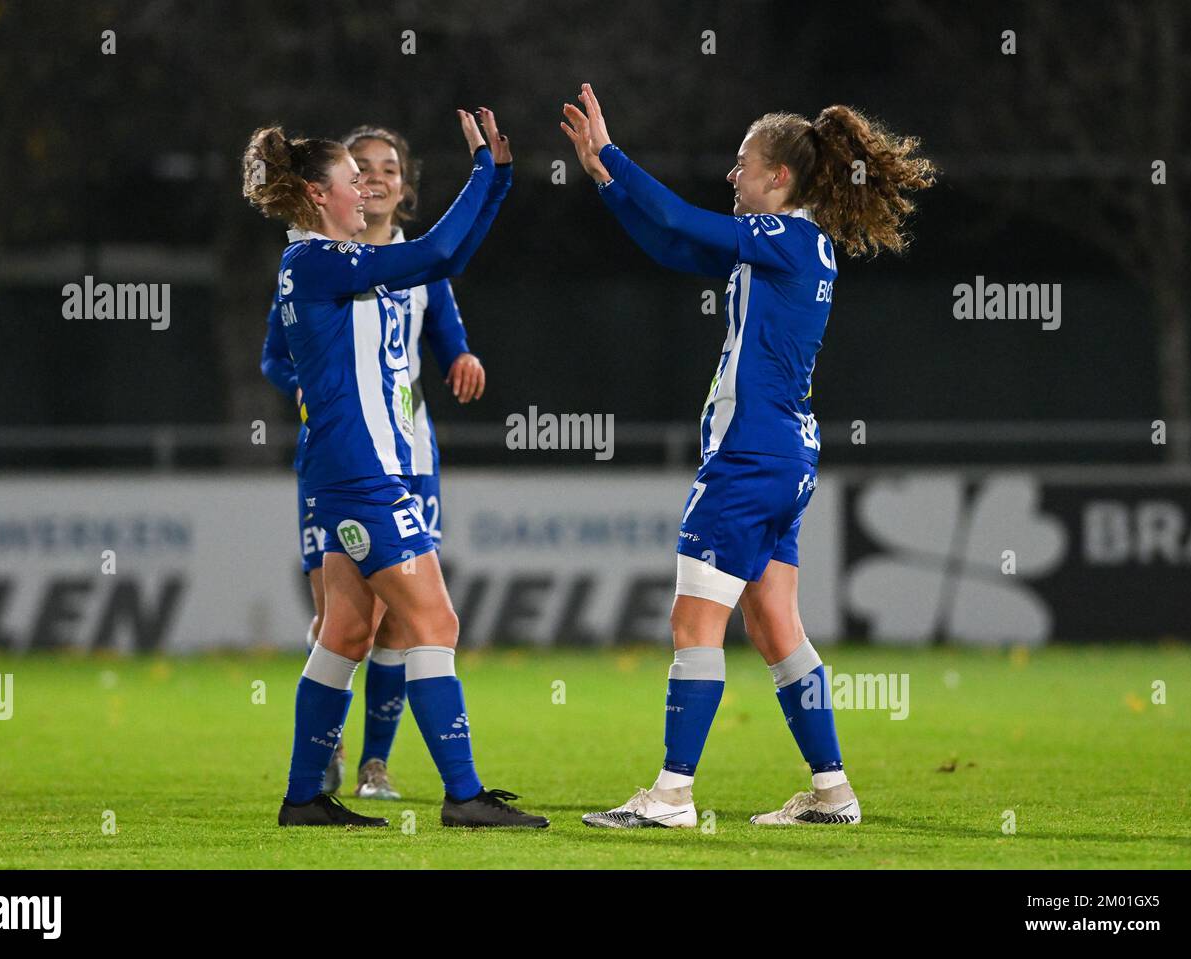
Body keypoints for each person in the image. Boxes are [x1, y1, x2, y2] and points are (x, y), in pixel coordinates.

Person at [562, 83, 934, 828]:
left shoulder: (787, 239)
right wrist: (608, 184)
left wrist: (611, 153)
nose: (733, 177)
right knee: (775, 625)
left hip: (751, 456)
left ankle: (671, 794)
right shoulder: (788, 248)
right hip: (785, 456)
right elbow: (671, 241)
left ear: (779, 178)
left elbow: (679, 217)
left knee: (693, 624)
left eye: (743, 164)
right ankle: (833, 792)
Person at [243, 108, 547, 828]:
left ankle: (303, 797)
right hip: (363, 476)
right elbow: (437, 252)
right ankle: (464, 796)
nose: (366, 191)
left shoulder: (316, 261)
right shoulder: (320, 261)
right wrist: (485, 177)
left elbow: (440, 259)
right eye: (353, 179)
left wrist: (495, 184)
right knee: (433, 618)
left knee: (346, 632)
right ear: (320, 195)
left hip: (350, 470)